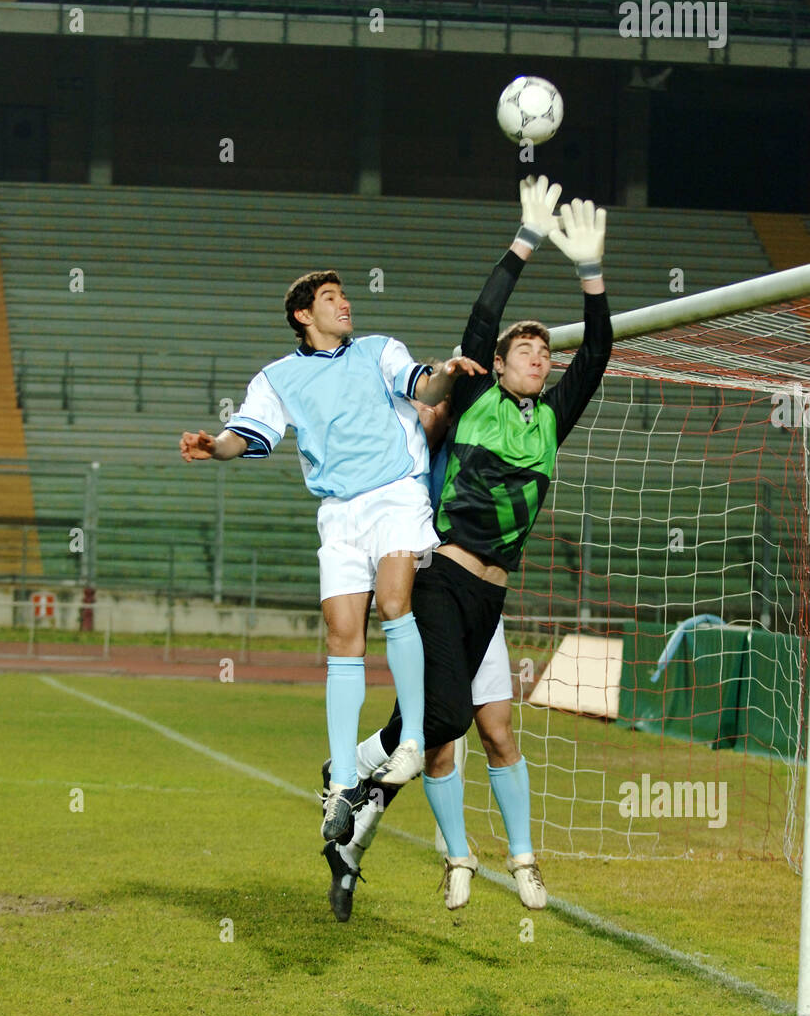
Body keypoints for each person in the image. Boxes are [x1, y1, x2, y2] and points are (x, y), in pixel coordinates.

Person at [323, 176, 612, 915]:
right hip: (442, 578)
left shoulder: (551, 419)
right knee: (447, 720)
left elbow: (599, 350)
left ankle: (360, 772)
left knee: (454, 720)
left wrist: (590, 272)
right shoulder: (476, 396)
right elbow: (482, 321)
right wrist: (524, 240)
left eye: (545, 352)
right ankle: (362, 779)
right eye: (526, 349)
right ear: (501, 363)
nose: (539, 357)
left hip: (491, 594)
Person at [180, 269, 485, 844]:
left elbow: (423, 386)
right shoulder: (277, 378)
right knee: (342, 637)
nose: (345, 304)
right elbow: (244, 434)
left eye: (343, 295)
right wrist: (213, 447)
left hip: (396, 494)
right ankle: (343, 782)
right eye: (330, 298)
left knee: (395, 601)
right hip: (339, 513)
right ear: (303, 315)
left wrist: (446, 375)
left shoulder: (378, 350)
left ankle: (413, 742)